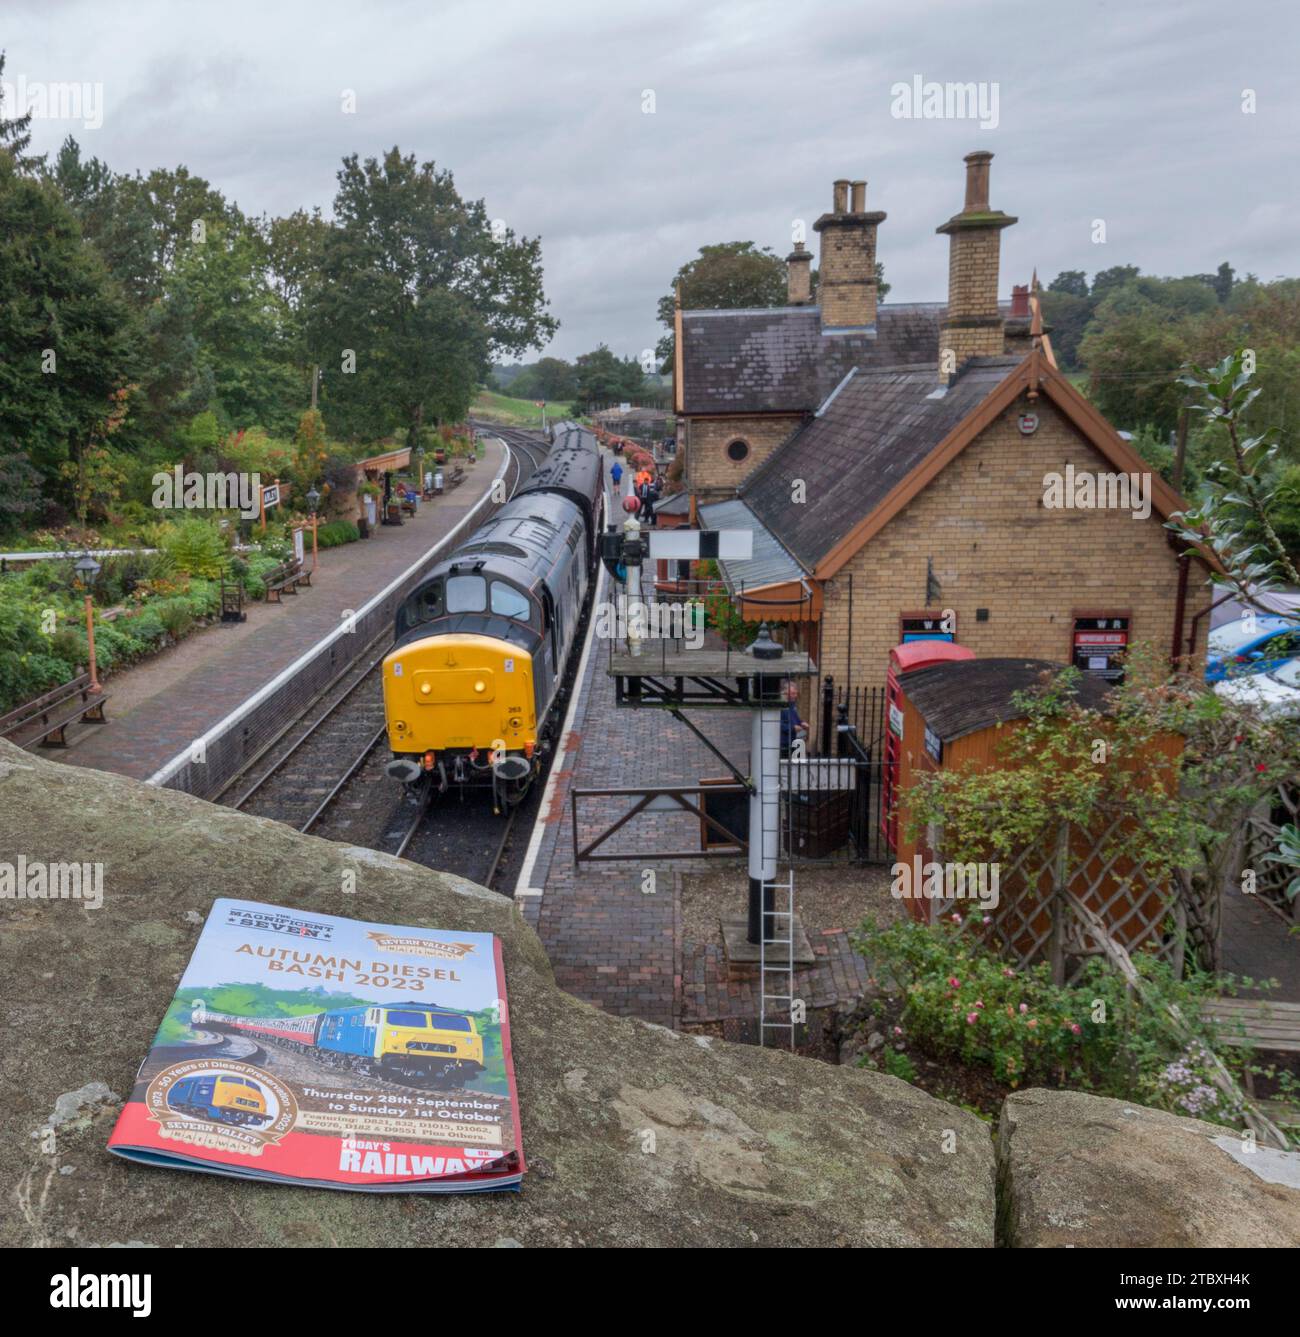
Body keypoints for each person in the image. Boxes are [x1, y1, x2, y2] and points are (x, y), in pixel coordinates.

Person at [779, 682, 808, 756]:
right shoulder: (780, 706)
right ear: (785, 693)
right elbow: (777, 724)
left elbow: (795, 719)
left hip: (793, 740)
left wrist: (801, 723)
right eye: (793, 693)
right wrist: (792, 728)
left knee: (796, 763)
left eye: (796, 693)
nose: (795, 696)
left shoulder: (792, 704)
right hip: (783, 742)